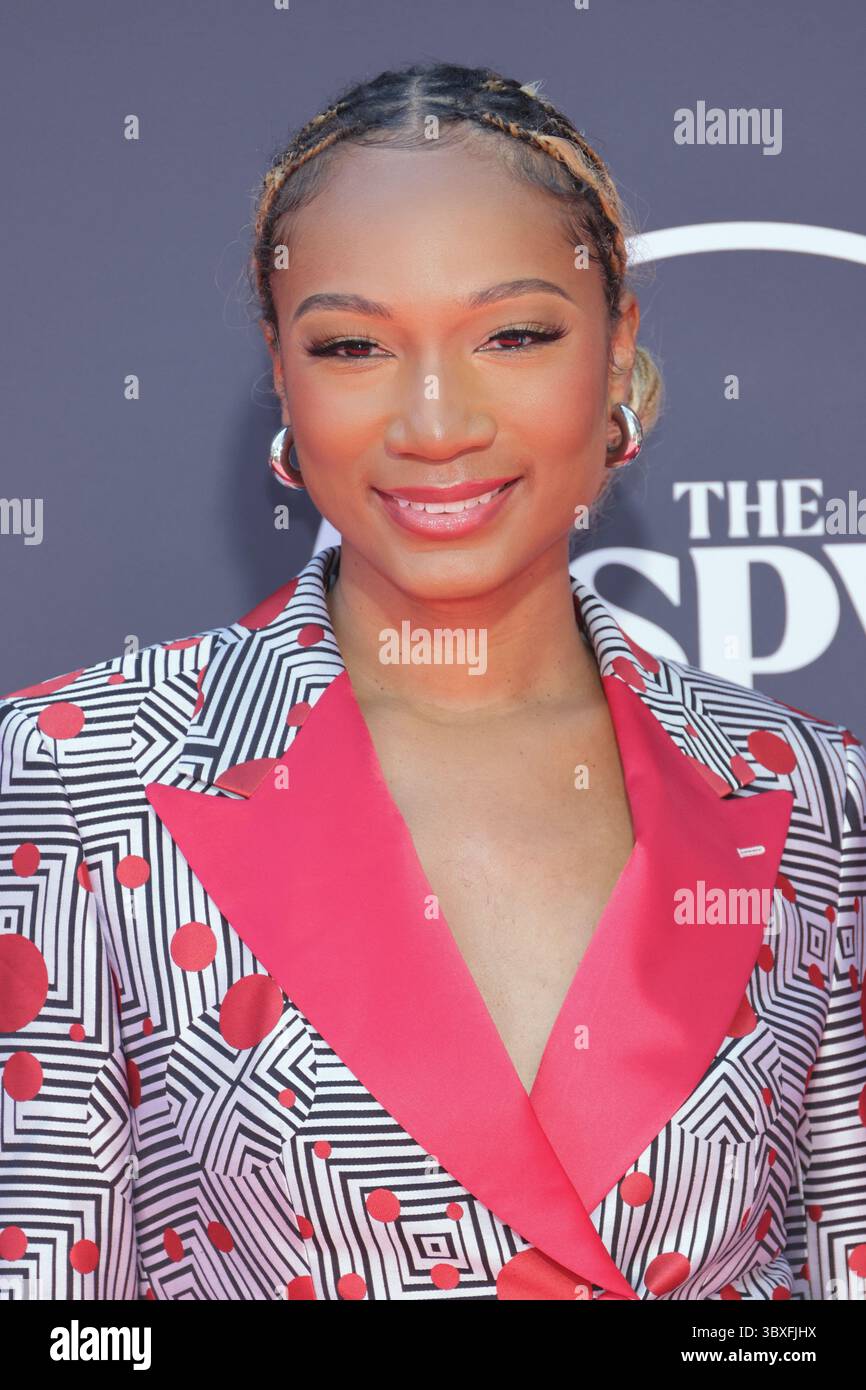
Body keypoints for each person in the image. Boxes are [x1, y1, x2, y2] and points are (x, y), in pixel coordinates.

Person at [0, 60, 864, 1302]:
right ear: (282, 372)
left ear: (615, 344)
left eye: (512, 333)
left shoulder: (802, 789)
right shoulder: (82, 775)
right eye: (352, 345)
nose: (434, 418)